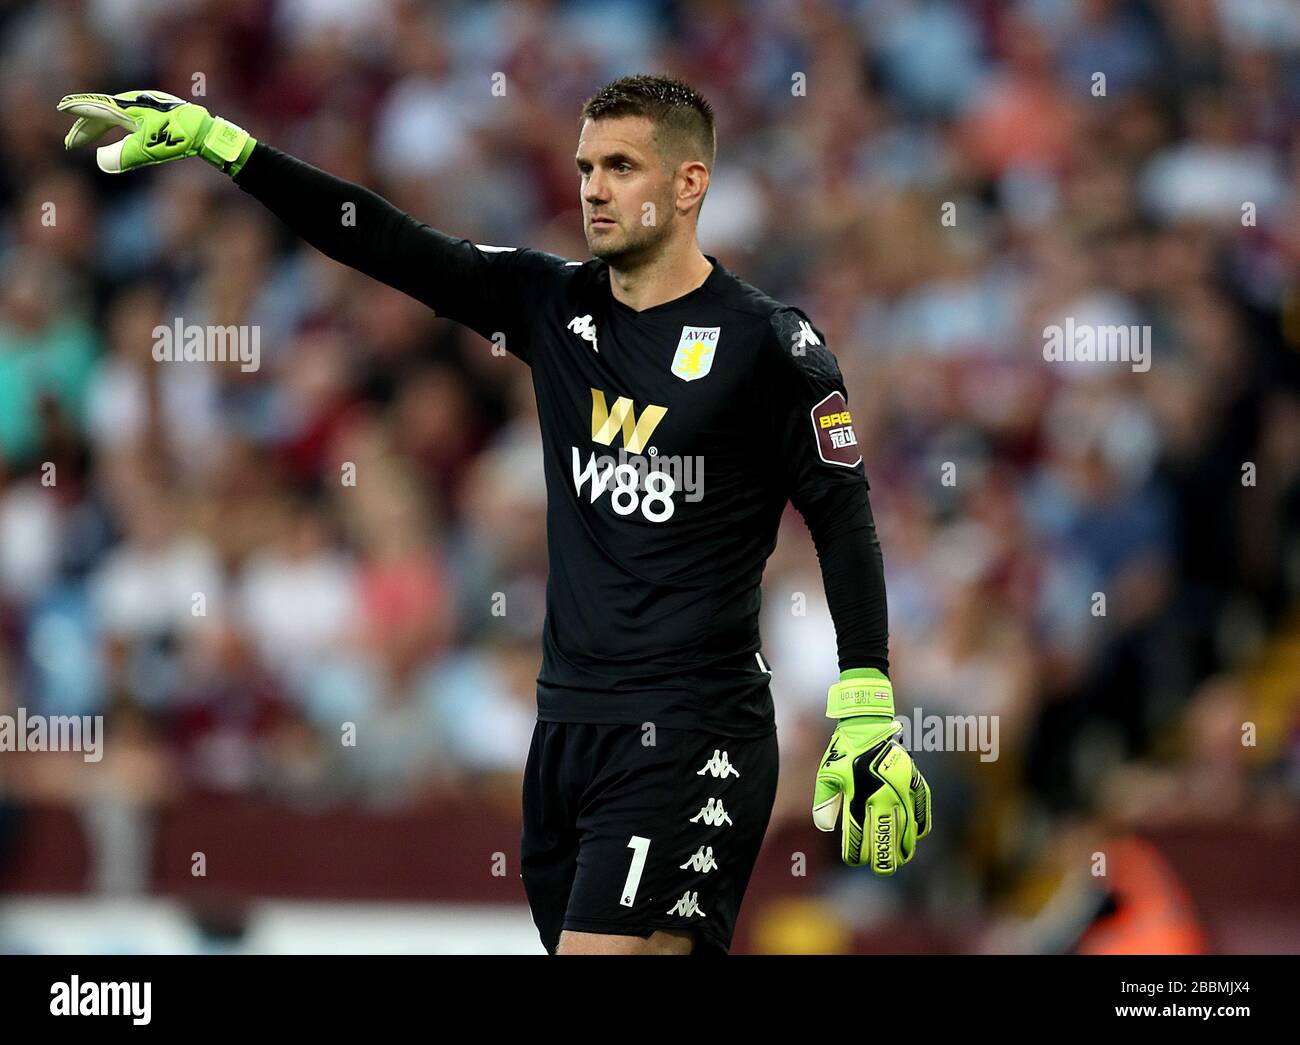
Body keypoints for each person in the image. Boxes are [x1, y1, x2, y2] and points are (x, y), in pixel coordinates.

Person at [58, 74, 932, 955]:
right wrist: (227, 146)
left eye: (622, 166)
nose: (593, 186)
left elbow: (843, 516)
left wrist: (865, 702)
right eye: (586, 166)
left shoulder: (771, 343)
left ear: (689, 183)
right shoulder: (552, 304)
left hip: (689, 728)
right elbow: (385, 243)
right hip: (565, 738)